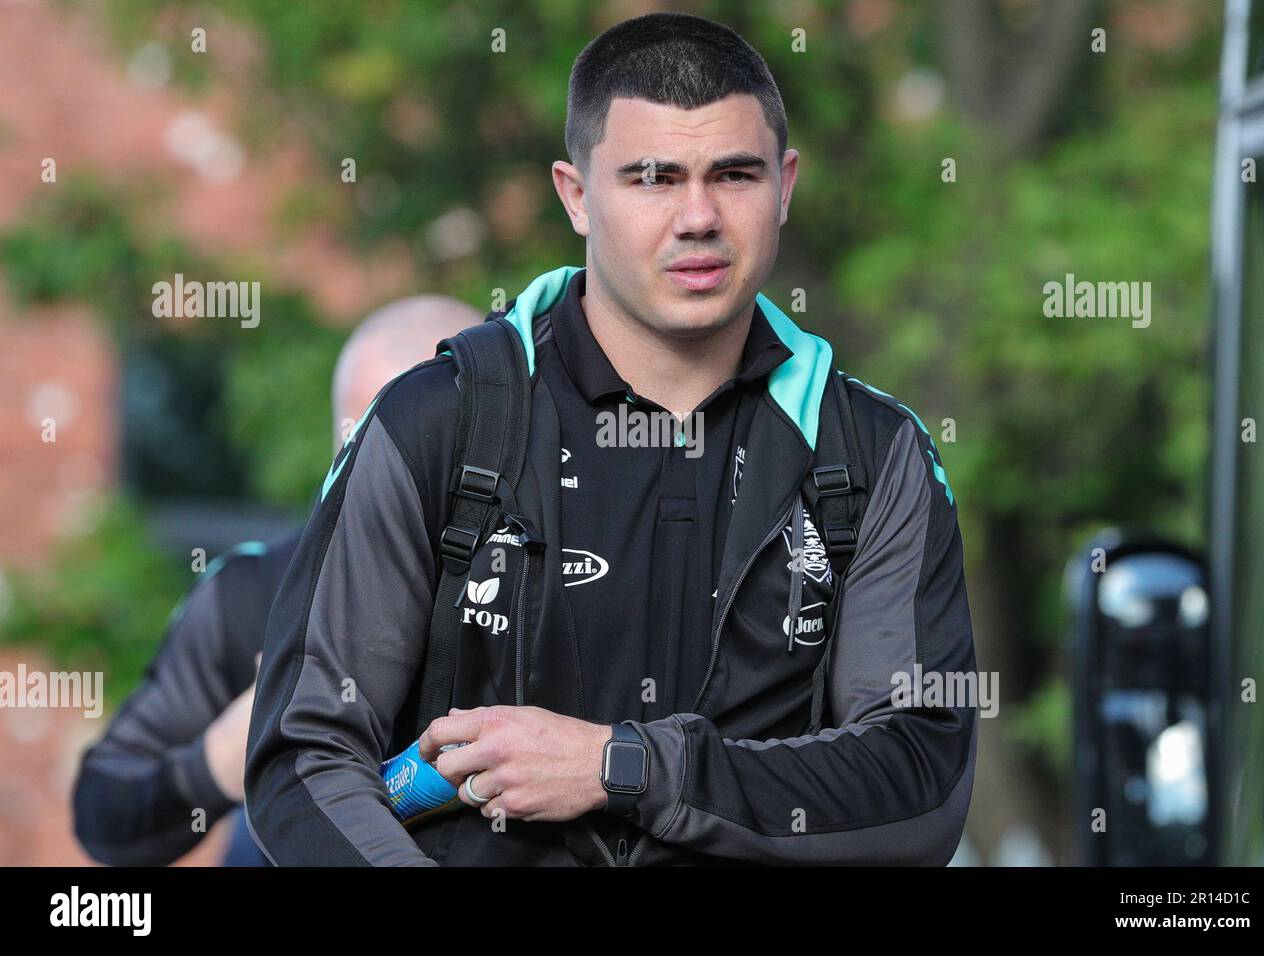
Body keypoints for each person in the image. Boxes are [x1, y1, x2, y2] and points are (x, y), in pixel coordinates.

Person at [245, 11, 978, 867]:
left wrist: (621, 765)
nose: (698, 217)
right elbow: (303, 763)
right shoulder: (437, 423)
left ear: (784, 185)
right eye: (654, 178)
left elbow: (918, 785)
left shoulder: (872, 452)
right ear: (576, 195)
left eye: (733, 175)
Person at [71, 295, 482, 866]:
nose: (388, 475)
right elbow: (104, 813)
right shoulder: (256, 588)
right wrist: (219, 759)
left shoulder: (549, 579)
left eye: (423, 448)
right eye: (365, 446)